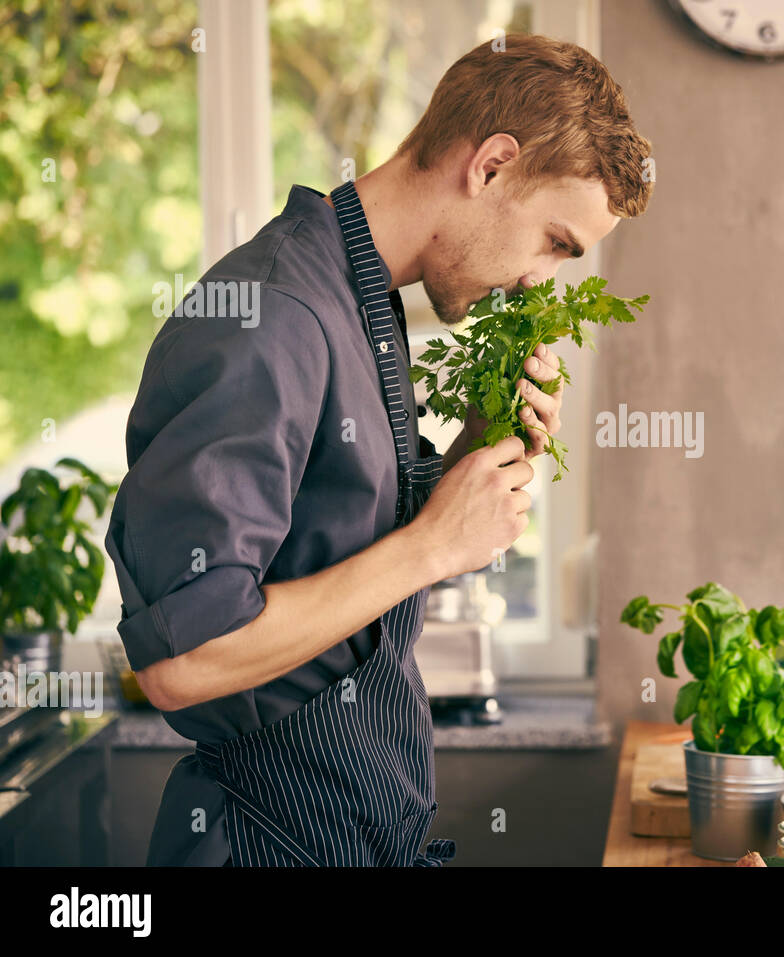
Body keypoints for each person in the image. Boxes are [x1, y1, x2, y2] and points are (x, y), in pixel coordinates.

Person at [104, 33, 653, 866]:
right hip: (263, 842)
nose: (542, 280)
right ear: (493, 165)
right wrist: (433, 544)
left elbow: (332, 549)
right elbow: (184, 658)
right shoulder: (271, 312)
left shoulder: (366, 302)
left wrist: (474, 451)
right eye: (555, 241)